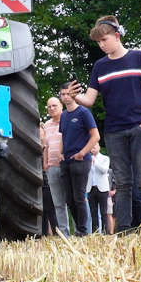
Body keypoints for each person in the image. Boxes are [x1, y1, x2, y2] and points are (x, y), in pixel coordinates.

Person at [69, 16, 141, 231]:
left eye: (105, 39)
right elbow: (89, 100)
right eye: (99, 42)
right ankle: (124, 229)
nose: (102, 45)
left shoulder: (139, 57)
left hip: (140, 127)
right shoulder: (100, 67)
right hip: (114, 131)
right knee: (122, 182)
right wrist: (75, 96)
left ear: (117, 36)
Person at [58, 87, 100, 236]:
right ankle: (79, 228)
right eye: (62, 94)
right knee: (69, 199)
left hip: (81, 160)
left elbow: (96, 136)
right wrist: (60, 152)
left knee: (79, 197)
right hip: (66, 161)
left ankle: (83, 231)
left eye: (68, 94)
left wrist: (82, 153)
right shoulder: (63, 115)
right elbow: (63, 136)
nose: (65, 97)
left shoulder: (83, 112)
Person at [42, 93, 70, 235]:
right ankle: (64, 234)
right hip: (52, 168)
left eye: (54, 106)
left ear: (61, 107)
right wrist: (45, 163)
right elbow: (46, 146)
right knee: (58, 204)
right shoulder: (46, 125)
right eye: (49, 107)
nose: (52, 108)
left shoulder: (68, 120)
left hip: (66, 165)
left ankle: (82, 232)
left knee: (74, 200)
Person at [87, 144, 111, 233]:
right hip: (91, 188)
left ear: (99, 147)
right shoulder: (88, 160)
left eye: (94, 147)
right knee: (93, 212)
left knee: (104, 212)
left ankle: (105, 231)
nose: (93, 149)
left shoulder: (105, 158)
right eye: (91, 148)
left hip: (102, 188)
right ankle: (95, 232)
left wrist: (95, 162)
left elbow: (104, 170)